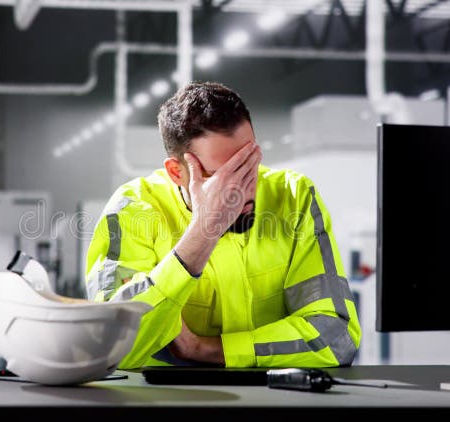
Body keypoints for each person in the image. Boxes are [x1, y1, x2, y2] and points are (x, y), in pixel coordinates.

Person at [85, 81, 361, 368]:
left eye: (248, 166)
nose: (242, 190)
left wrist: (207, 349)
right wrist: (205, 229)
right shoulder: (132, 210)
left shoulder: (294, 197)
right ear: (177, 172)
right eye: (220, 177)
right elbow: (113, 347)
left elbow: (337, 337)